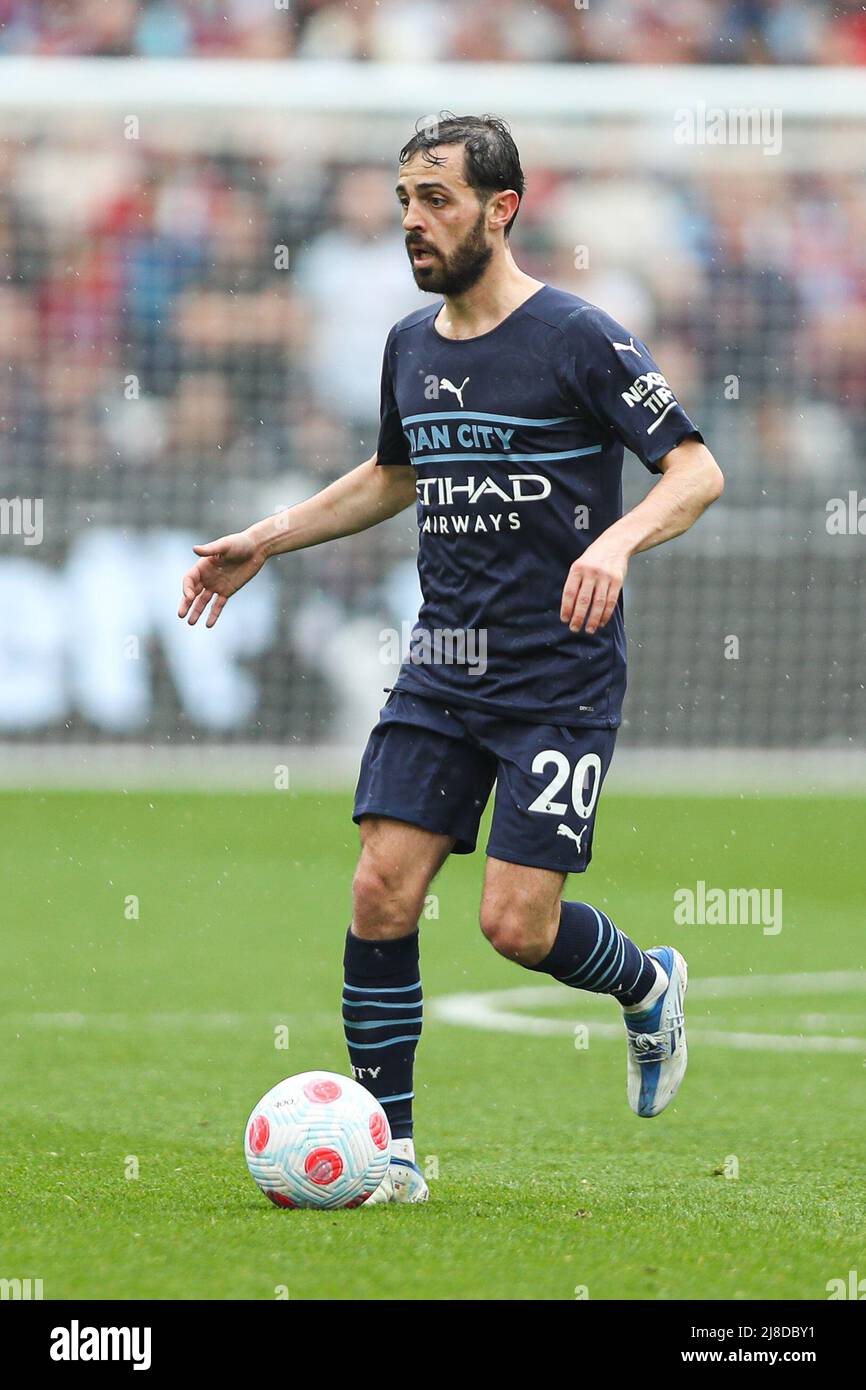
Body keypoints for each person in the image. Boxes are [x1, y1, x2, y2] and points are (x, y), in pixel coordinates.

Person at [179, 114, 724, 1205]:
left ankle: (645, 982)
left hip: (558, 678)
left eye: (435, 200)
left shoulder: (578, 336)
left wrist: (613, 541)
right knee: (380, 887)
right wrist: (266, 537)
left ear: (500, 208)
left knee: (513, 926)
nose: (413, 223)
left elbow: (695, 470)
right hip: (442, 664)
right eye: (403, 203)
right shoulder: (410, 346)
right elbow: (394, 473)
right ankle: (392, 1157)